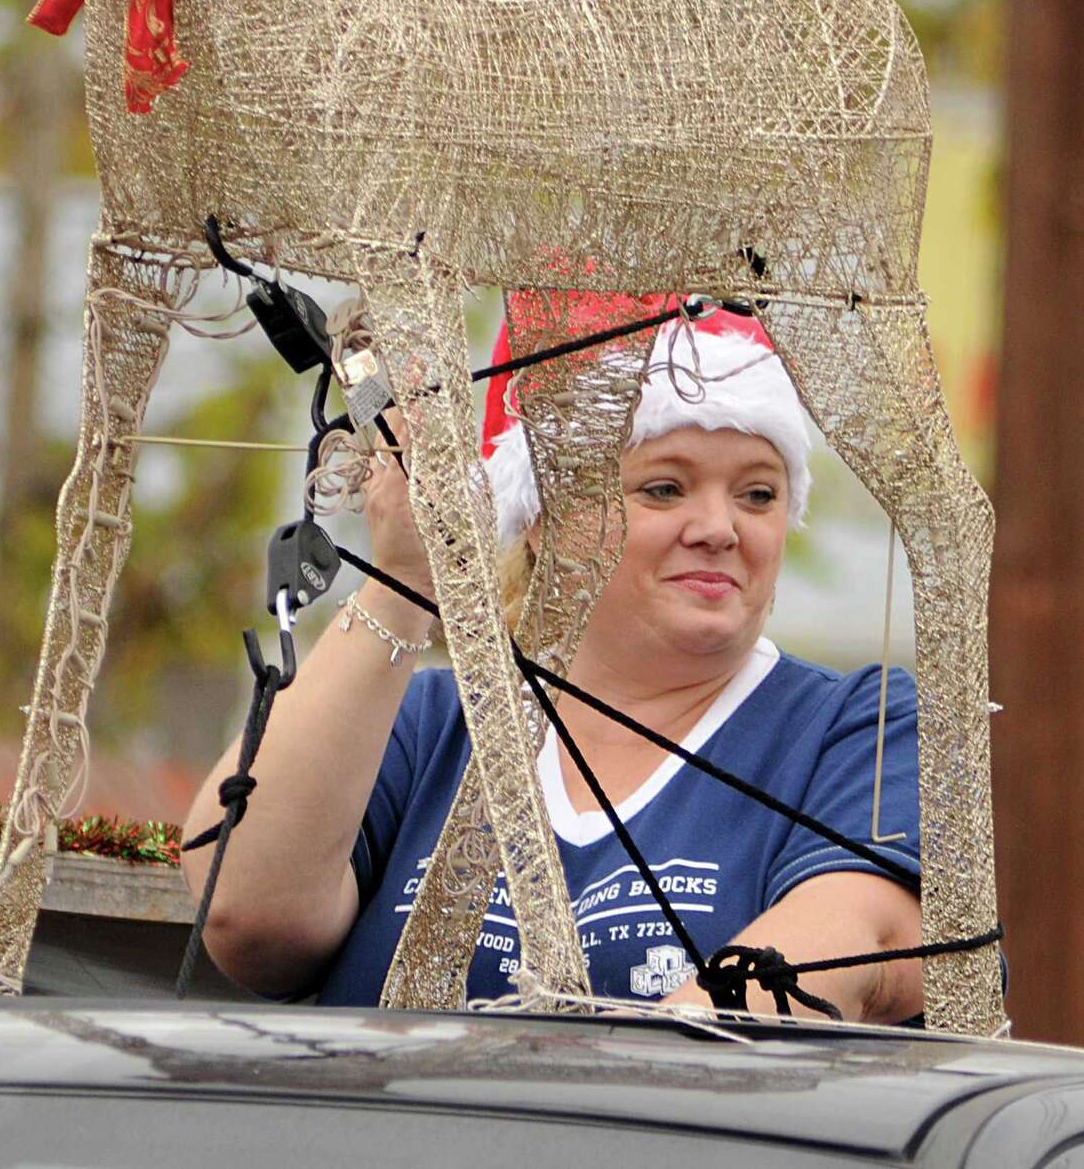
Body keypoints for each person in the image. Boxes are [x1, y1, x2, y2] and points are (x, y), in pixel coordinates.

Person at [182, 310, 923, 1022]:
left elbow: (860, 944)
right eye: (664, 488)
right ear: (541, 514)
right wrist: (406, 578)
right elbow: (249, 918)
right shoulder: (429, 722)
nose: (718, 528)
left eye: (757, 494)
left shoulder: (859, 729)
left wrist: (595, 1092)